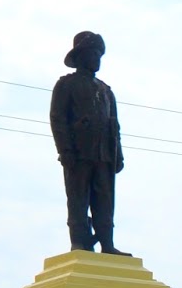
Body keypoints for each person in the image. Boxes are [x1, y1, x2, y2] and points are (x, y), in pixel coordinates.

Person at [49, 31, 128, 255]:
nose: (97, 59)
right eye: (93, 54)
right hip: (78, 152)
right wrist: (65, 150)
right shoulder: (66, 85)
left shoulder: (106, 91)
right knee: (78, 198)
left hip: (105, 154)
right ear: (81, 56)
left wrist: (118, 155)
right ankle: (78, 241)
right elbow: (58, 119)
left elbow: (115, 126)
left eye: (99, 55)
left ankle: (107, 243)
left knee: (105, 199)